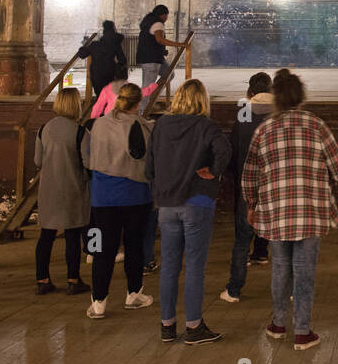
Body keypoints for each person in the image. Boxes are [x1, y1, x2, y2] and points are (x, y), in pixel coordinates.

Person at [241, 70, 338, 350]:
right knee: (305, 270)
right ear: (300, 97)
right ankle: (302, 331)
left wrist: (252, 205)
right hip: (311, 211)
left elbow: (250, 173)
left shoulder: (264, 129)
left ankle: (278, 324)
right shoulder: (316, 125)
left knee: (280, 268)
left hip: (275, 212)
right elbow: (337, 166)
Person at [147, 78, 232, 344]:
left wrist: (159, 184)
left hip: (167, 205)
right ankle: (194, 327)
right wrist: (213, 172)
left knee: (169, 266)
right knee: (195, 266)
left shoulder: (160, 125)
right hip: (197, 202)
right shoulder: (205, 126)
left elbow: (148, 166)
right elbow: (224, 150)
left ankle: (167, 325)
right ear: (202, 100)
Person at [80, 82, 155, 319]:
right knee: (134, 247)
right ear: (138, 103)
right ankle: (134, 294)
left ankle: (99, 302)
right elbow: (149, 161)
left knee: (102, 249)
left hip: (103, 198)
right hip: (136, 196)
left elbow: (89, 157)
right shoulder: (143, 127)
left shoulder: (97, 125)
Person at [221, 72, 274, 303]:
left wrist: (234, 173)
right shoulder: (281, 114)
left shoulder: (244, 113)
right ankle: (264, 256)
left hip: (247, 182)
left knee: (242, 238)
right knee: (283, 238)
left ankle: (234, 290)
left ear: (250, 93)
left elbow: (233, 148)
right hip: (275, 184)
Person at [34, 87, 91, 295]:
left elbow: (37, 161)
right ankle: (73, 280)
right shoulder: (80, 132)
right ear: (76, 105)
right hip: (72, 189)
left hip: (48, 189)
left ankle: (42, 279)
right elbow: (88, 162)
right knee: (72, 236)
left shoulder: (43, 129)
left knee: (45, 236)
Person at [137, 4, 184, 95]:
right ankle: (143, 109)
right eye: (167, 15)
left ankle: (153, 94)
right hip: (152, 59)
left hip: (153, 57)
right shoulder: (158, 24)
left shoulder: (149, 22)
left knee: (169, 74)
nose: (167, 18)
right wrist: (179, 45)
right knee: (147, 87)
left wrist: (162, 51)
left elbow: (151, 41)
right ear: (163, 15)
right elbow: (160, 40)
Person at [77, 21, 128, 101]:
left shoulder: (95, 45)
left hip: (97, 74)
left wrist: (84, 45)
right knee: (111, 97)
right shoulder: (116, 45)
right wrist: (117, 68)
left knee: (100, 97)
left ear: (104, 31)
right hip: (111, 74)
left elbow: (82, 54)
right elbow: (122, 60)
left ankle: (101, 112)